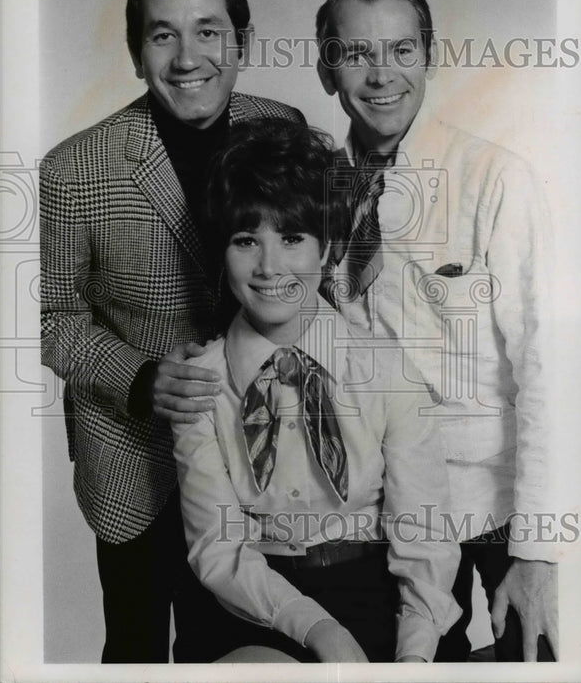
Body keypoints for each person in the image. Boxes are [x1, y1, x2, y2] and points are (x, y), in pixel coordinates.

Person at [40, 0, 305, 663]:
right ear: (136, 53)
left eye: (208, 31)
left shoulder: (281, 129)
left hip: (260, 460)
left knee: (241, 648)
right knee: (134, 651)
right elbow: (48, 319)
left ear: (240, 41)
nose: (188, 58)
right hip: (136, 465)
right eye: (164, 35)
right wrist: (141, 379)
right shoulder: (73, 170)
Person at [315, 0, 558, 662]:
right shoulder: (320, 189)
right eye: (357, 53)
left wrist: (539, 550)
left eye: (401, 50)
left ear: (429, 55)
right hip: (386, 513)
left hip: (495, 508)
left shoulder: (493, 178)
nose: (381, 74)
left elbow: (549, 369)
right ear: (326, 63)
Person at [171, 118, 461, 663]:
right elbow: (220, 548)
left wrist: (414, 657)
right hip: (253, 597)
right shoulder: (201, 384)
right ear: (222, 251)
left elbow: (423, 535)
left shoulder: (386, 370)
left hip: (374, 587)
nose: (269, 266)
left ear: (326, 250)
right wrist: (321, 632)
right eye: (245, 240)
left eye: (292, 237)